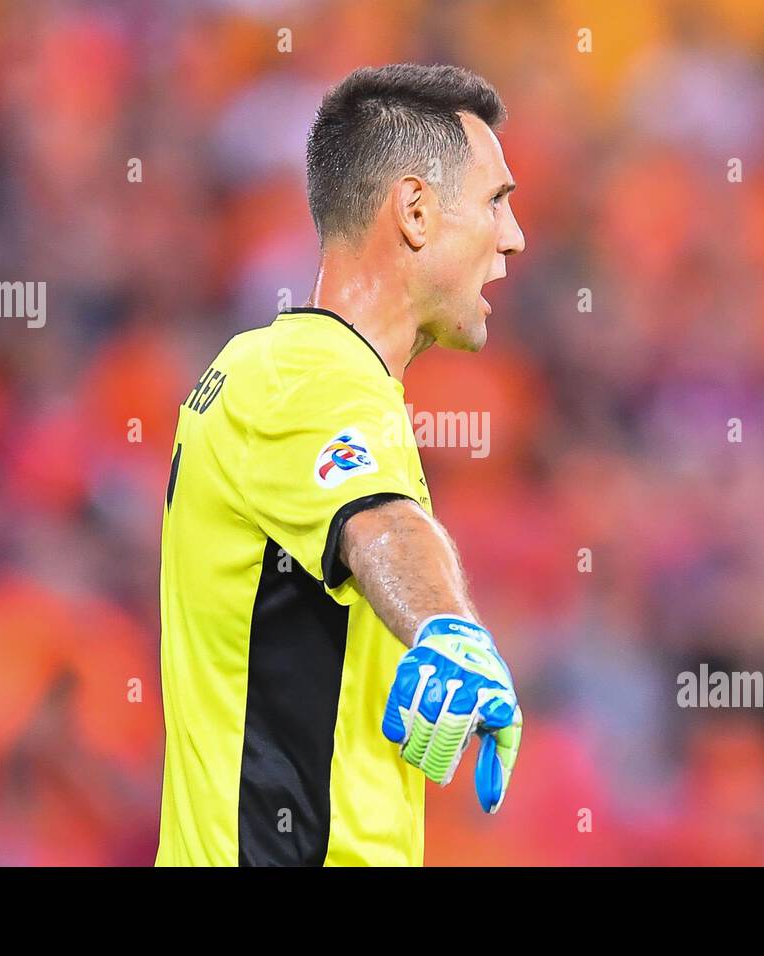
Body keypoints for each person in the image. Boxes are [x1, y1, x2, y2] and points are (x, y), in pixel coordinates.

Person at [156, 63, 525, 866]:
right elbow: (380, 526)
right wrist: (448, 632)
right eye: (496, 202)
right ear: (415, 211)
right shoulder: (306, 374)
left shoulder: (314, 383)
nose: (513, 237)